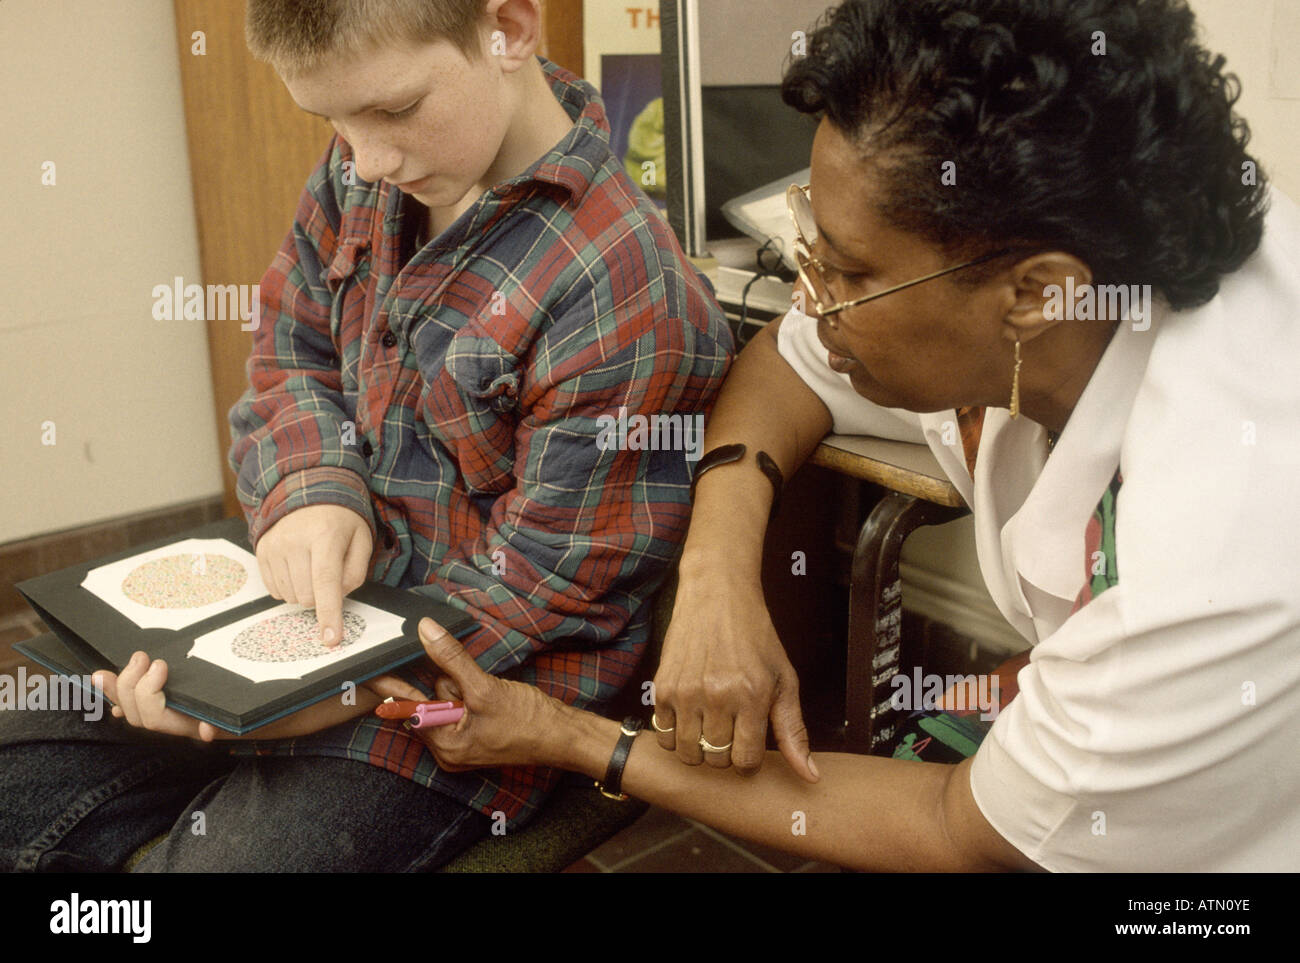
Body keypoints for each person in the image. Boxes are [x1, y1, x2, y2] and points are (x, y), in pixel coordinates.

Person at [377, 0, 1300, 871]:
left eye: (848, 272)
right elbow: (785, 360)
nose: (814, 299)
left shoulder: (1214, 554)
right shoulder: (1072, 286)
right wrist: (716, 576)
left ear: (1033, 292)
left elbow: (957, 827)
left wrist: (568, 734)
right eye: (807, 245)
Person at [0, 0, 731, 872]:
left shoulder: (624, 291)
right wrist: (312, 489)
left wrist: (300, 697)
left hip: (455, 703)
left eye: (394, 110)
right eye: (332, 122)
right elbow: (291, 349)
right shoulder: (364, 169)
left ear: (510, 28)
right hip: (292, 630)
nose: (369, 158)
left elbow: (538, 592)